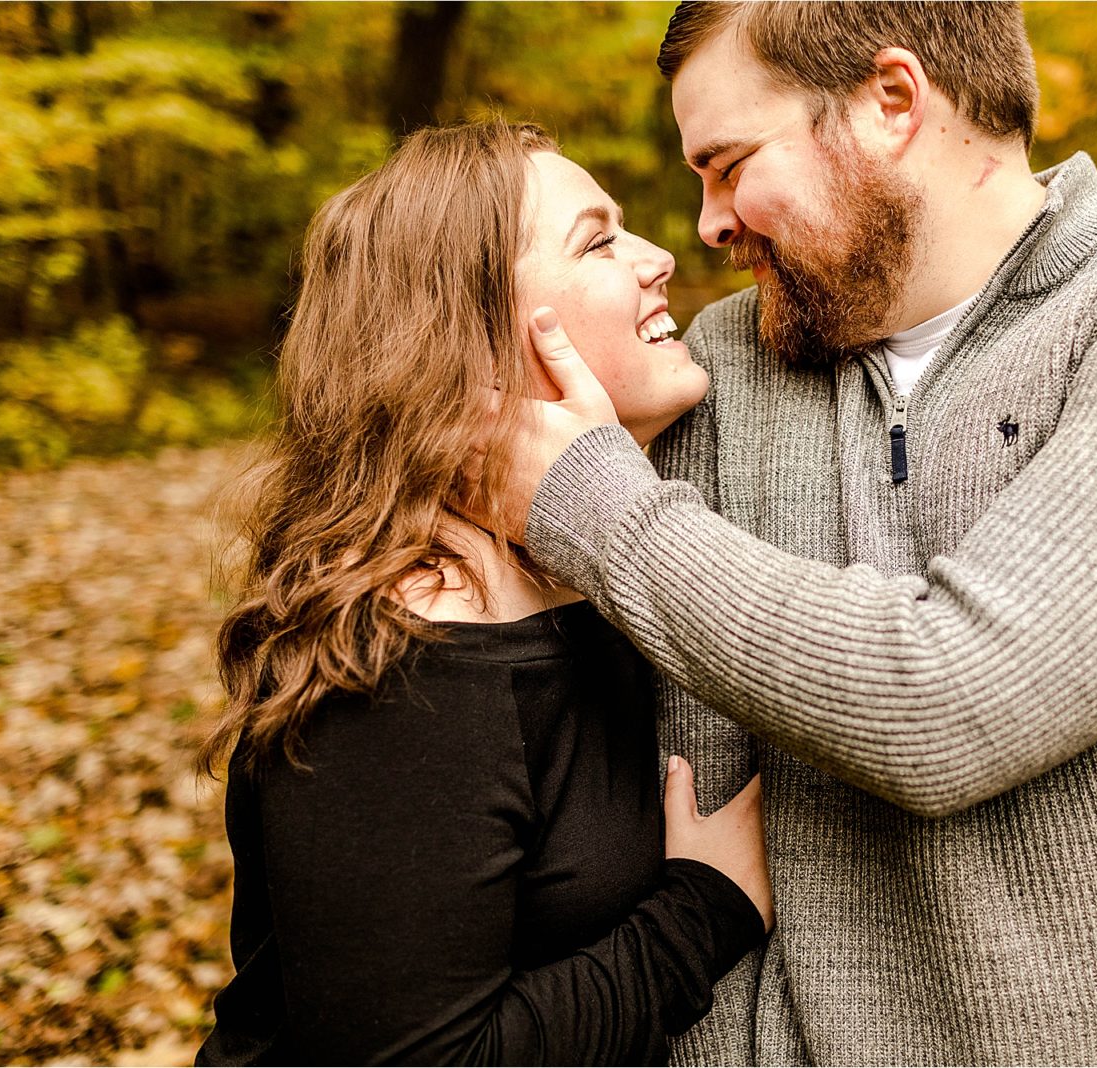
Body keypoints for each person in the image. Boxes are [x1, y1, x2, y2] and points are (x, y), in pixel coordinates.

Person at [499, 2, 1097, 1064]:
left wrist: (597, 504)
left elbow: (949, 702)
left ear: (892, 102)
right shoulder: (714, 366)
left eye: (728, 164)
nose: (707, 225)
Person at [194, 120, 772, 1066]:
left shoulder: (587, 580)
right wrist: (703, 911)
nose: (661, 257)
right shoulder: (407, 667)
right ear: (460, 340)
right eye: (597, 241)